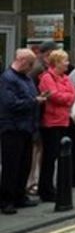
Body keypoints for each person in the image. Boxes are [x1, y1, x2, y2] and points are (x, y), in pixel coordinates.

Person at [0, 48, 42, 214]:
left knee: (24, 165)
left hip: (26, 127)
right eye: (30, 64)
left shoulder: (25, 78)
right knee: (11, 166)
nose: (32, 68)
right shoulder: (7, 79)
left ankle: (19, 196)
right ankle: (6, 200)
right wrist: (34, 101)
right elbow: (10, 104)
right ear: (23, 61)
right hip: (12, 128)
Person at [37, 49, 75, 202]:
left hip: (64, 121)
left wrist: (65, 97)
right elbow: (54, 96)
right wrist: (66, 97)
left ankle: (55, 187)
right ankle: (45, 190)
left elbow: (73, 95)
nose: (67, 63)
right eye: (65, 61)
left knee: (61, 157)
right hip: (51, 123)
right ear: (56, 63)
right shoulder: (47, 78)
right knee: (50, 158)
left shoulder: (65, 78)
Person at [26, 40, 60, 195]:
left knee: (39, 149)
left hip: (38, 115)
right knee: (36, 149)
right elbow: (32, 92)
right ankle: (32, 182)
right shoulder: (38, 69)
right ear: (48, 54)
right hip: (35, 116)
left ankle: (35, 181)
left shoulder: (42, 67)